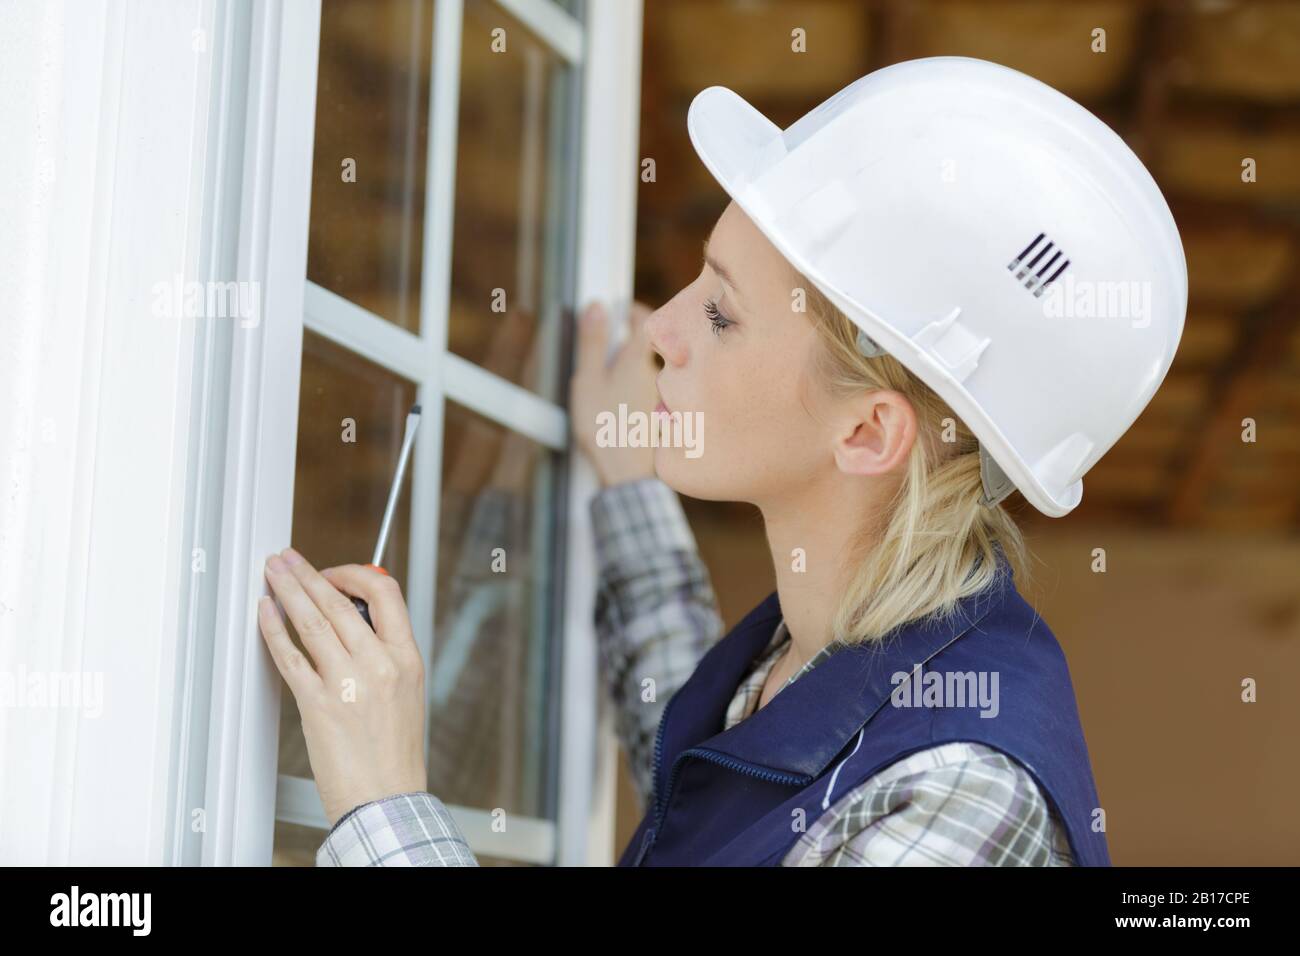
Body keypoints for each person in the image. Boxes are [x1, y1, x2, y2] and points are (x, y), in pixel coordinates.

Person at [258, 56, 1185, 866]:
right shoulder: (837, 646)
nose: (661, 327)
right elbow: (722, 791)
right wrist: (629, 475)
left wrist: (382, 804)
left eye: (721, 314)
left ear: (866, 434)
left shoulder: (959, 799)